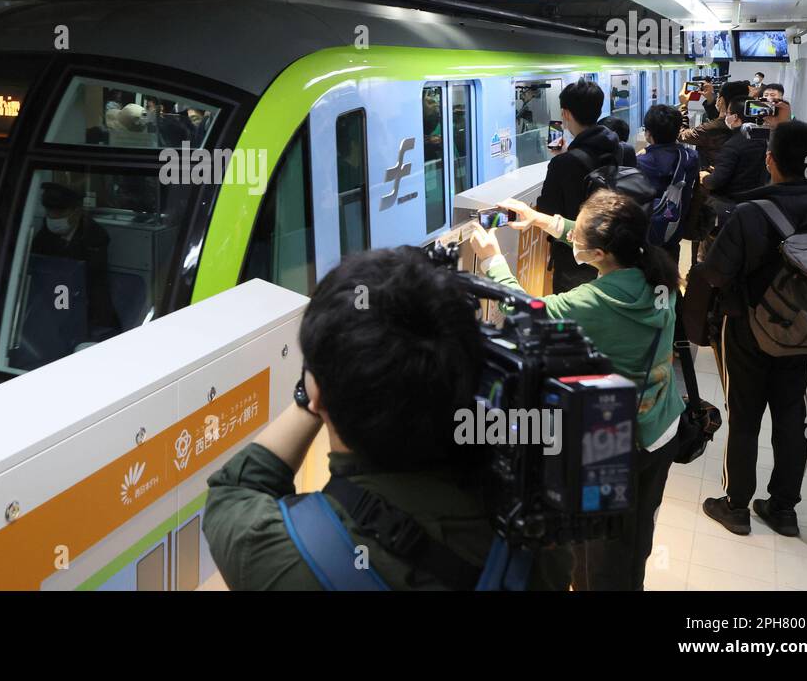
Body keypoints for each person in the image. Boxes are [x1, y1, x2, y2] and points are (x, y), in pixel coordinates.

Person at [202, 246, 574, 591]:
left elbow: (236, 491)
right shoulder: (535, 548)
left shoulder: (280, 555)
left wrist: (311, 391)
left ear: (317, 393)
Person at [467, 191, 684, 591]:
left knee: (598, 553)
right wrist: (540, 220)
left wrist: (493, 258)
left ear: (600, 253)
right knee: (634, 538)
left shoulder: (595, 301)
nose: (575, 237)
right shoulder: (656, 271)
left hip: (618, 442)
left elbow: (529, 315)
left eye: (580, 235)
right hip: (663, 425)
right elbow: (591, 241)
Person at [683, 121, 807, 538]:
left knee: (745, 415)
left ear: (770, 160)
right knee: (792, 414)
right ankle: (784, 509)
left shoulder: (749, 212)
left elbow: (717, 273)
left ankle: (736, 505)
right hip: (802, 328)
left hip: (748, 328)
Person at [536, 79, 633, 293]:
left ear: (567, 114)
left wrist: (561, 160)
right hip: (614, 253)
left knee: (573, 319)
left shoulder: (563, 163)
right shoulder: (621, 148)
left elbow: (547, 210)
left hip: (576, 258)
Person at [30, 182, 119, 339]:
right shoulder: (43, 236)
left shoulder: (95, 237)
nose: (53, 218)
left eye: (60, 213)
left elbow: (91, 280)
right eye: (50, 212)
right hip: (53, 301)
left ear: (76, 212)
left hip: (87, 305)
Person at [637, 103, 700, 267]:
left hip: (646, 236)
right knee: (668, 277)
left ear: (648, 133)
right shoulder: (690, 157)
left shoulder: (642, 163)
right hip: (675, 230)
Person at [703, 98, 791, 200]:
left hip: (733, 202)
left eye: (728, 113)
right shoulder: (763, 140)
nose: (725, 117)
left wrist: (705, 178)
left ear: (735, 117)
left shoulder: (733, 144)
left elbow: (716, 181)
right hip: (761, 198)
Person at [679, 79, 747, 169]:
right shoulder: (745, 124)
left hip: (711, 176)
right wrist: (710, 99)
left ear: (721, 100)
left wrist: (683, 106)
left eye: (718, 96)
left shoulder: (710, 129)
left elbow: (682, 135)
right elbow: (720, 119)